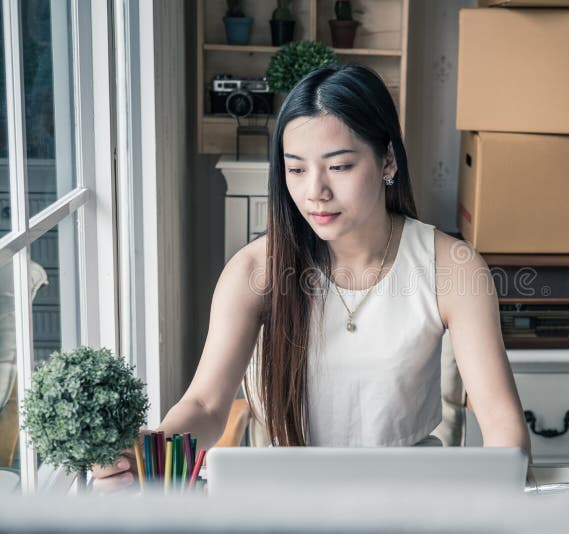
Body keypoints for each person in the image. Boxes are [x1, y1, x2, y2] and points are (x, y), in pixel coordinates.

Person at [92, 64, 531, 492]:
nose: (314, 191)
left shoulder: (452, 266)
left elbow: (502, 425)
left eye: (339, 167)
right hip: (287, 498)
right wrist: (148, 455)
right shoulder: (254, 271)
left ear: (387, 161)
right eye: (297, 169)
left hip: (409, 496)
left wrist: (498, 504)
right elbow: (206, 405)